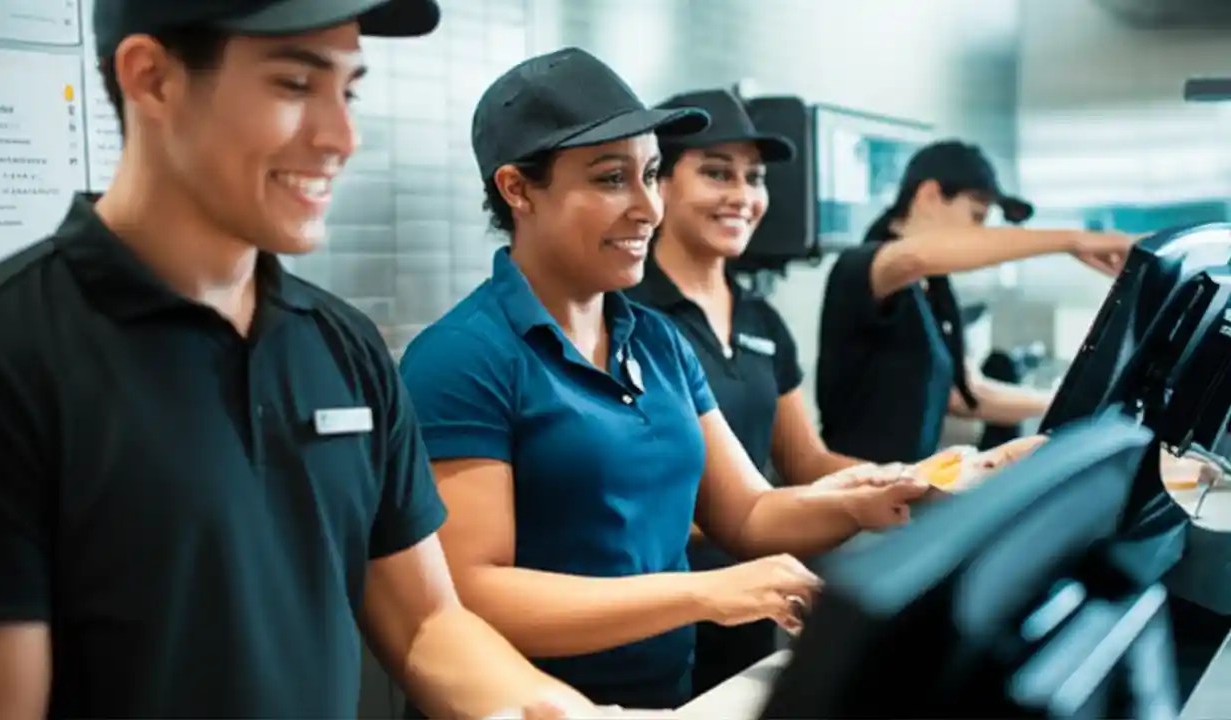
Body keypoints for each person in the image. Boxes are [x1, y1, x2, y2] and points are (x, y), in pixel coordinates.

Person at [0, 2, 602, 718]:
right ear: (153, 79)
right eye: (295, 85)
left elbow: (425, 624)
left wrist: (549, 706)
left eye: (347, 91)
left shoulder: (343, 348)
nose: (342, 137)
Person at [398, 47, 930, 711]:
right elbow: (472, 593)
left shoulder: (655, 340)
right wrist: (704, 594)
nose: (648, 206)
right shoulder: (463, 358)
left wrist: (859, 504)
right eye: (610, 179)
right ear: (517, 189)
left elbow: (749, 511)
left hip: (668, 699)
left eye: (651, 173)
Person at [628, 88, 1047, 695]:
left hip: (757, 596)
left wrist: (915, 480)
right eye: (716, 173)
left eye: (755, 177)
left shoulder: (760, 320)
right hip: (664, 607)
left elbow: (806, 462)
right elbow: (644, 504)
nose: (743, 196)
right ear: (659, 184)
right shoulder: (631, 318)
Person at [816, 140, 1136, 464]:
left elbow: (965, 394)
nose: (981, 232)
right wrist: (1073, 240)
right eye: (977, 216)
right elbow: (913, 256)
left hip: (905, 493)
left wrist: (1073, 402)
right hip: (852, 493)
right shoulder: (863, 268)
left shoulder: (932, 287)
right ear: (929, 195)